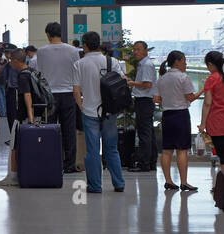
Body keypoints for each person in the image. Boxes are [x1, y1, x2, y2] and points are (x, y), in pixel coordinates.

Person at [72, 31, 125, 194]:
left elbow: (76, 90)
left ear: (85, 45)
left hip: (89, 112)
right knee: (111, 149)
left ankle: (95, 186)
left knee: (93, 151)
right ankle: (118, 183)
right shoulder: (112, 61)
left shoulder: (79, 64)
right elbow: (122, 81)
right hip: (109, 112)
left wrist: (82, 107)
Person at [36, 22, 81, 173]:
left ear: (48, 34)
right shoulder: (73, 50)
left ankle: (50, 162)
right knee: (69, 130)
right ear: (62, 34)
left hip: (48, 96)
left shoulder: (41, 52)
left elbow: (39, 74)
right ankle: (69, 165)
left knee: (49, 129)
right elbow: (76, 72)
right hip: (68, 94)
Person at [153, 50, 199, 193]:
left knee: (166, 151)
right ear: (177, 61)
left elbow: (156, 99)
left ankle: (168, 181)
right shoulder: (183, 77)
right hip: (181, 116)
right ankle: (184, 182)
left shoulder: (162, 78)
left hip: (167, 116)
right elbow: (190, 97)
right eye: (184, 60)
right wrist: (203, 91)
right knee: (182, 150)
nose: (185, 63)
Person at [0, 49, 38, 188]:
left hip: (22, 118)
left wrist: (30, 118)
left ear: (15, 61)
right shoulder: (31, 71)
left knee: (14, 146)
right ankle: (25, 173)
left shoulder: (22, 76)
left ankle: (12, 176)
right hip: (29, 116)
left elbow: (27, 95)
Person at [126, 41, 157, 172]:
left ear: (145, 51)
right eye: (134, 49)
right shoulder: (143, 64)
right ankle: (151, 162)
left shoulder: (146, 65)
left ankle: (144, 164)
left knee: (144, 133)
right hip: (145, 101)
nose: (136, 52)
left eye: (138, 49)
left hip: (144, 101)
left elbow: (147, 84)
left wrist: (131, 83)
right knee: (149, 133)